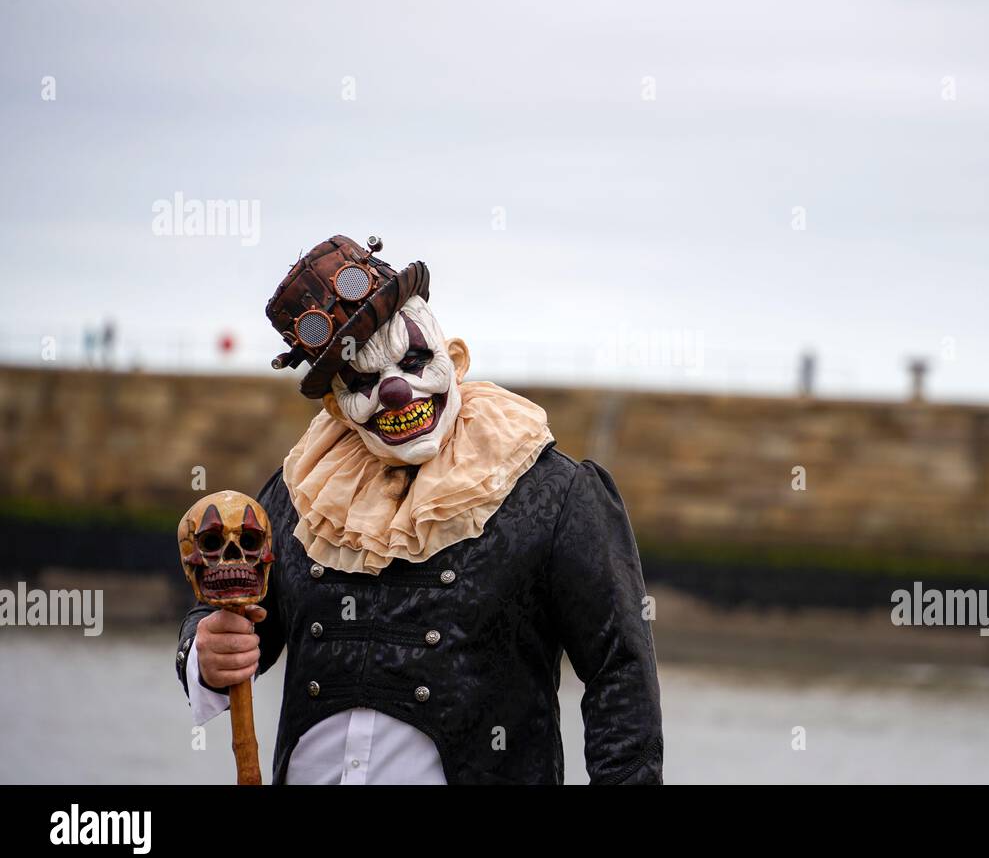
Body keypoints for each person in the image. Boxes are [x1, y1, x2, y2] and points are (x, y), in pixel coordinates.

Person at [175, 235, 663, 784]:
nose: (396, 393)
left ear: (453, 358)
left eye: (414, 360)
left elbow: (618, 674)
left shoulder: (553, 494)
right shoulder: (300, 493)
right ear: (337, 404)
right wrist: (207, 653)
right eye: (364, 381)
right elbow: (230, 612)